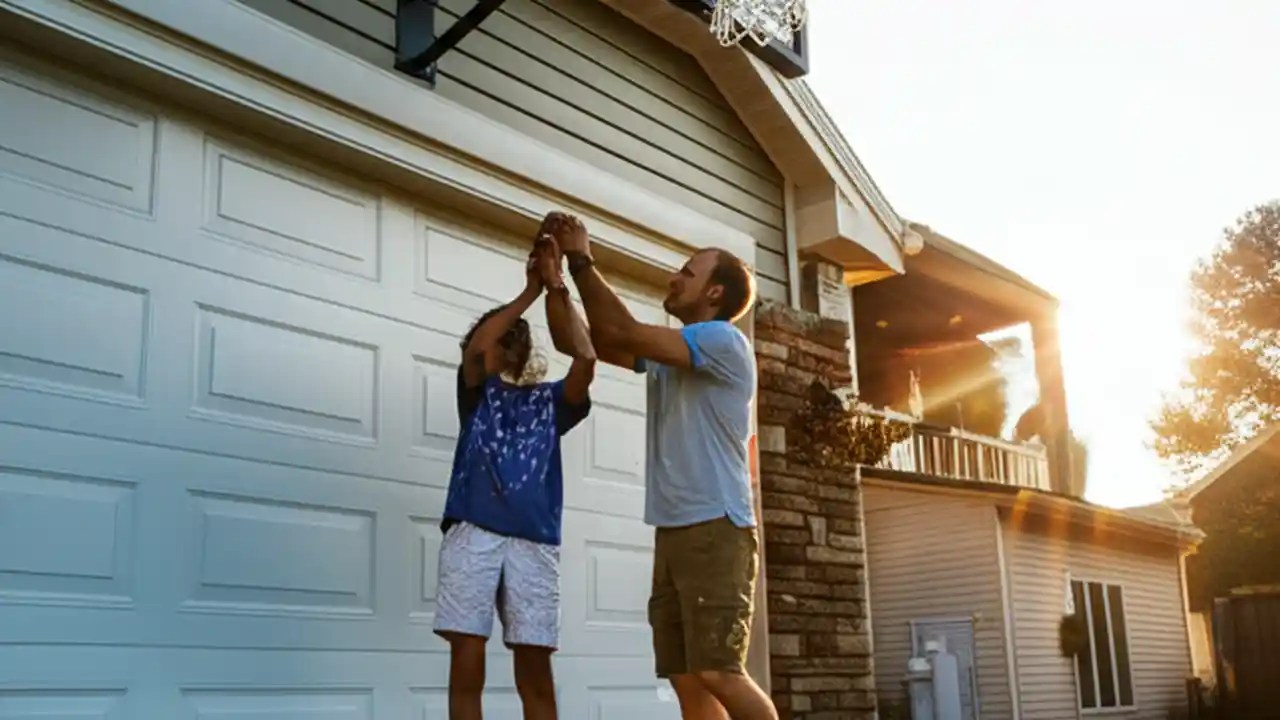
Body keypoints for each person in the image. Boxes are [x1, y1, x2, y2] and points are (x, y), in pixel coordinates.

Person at [546, 213, 777, 720]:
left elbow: (616, 328)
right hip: (675, 529)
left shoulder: (721, 341)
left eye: (688, 272)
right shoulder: (674, 354)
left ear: (714, 294)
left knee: (719, 671)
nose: (675, 277)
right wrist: (554, 284)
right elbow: (586, 343)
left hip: (716, 526)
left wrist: (583, 258)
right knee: (689, 682)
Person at [434, 227, 596, 720]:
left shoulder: (551, 402)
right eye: (506, 333)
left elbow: (586, 358)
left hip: (533, 541)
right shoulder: (477, 392)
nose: (510, 338)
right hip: (472, 533)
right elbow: (477, 350)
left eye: (518, 335)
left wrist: (557, 287)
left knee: (535, 670)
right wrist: (527, 290)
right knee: (467, 658)